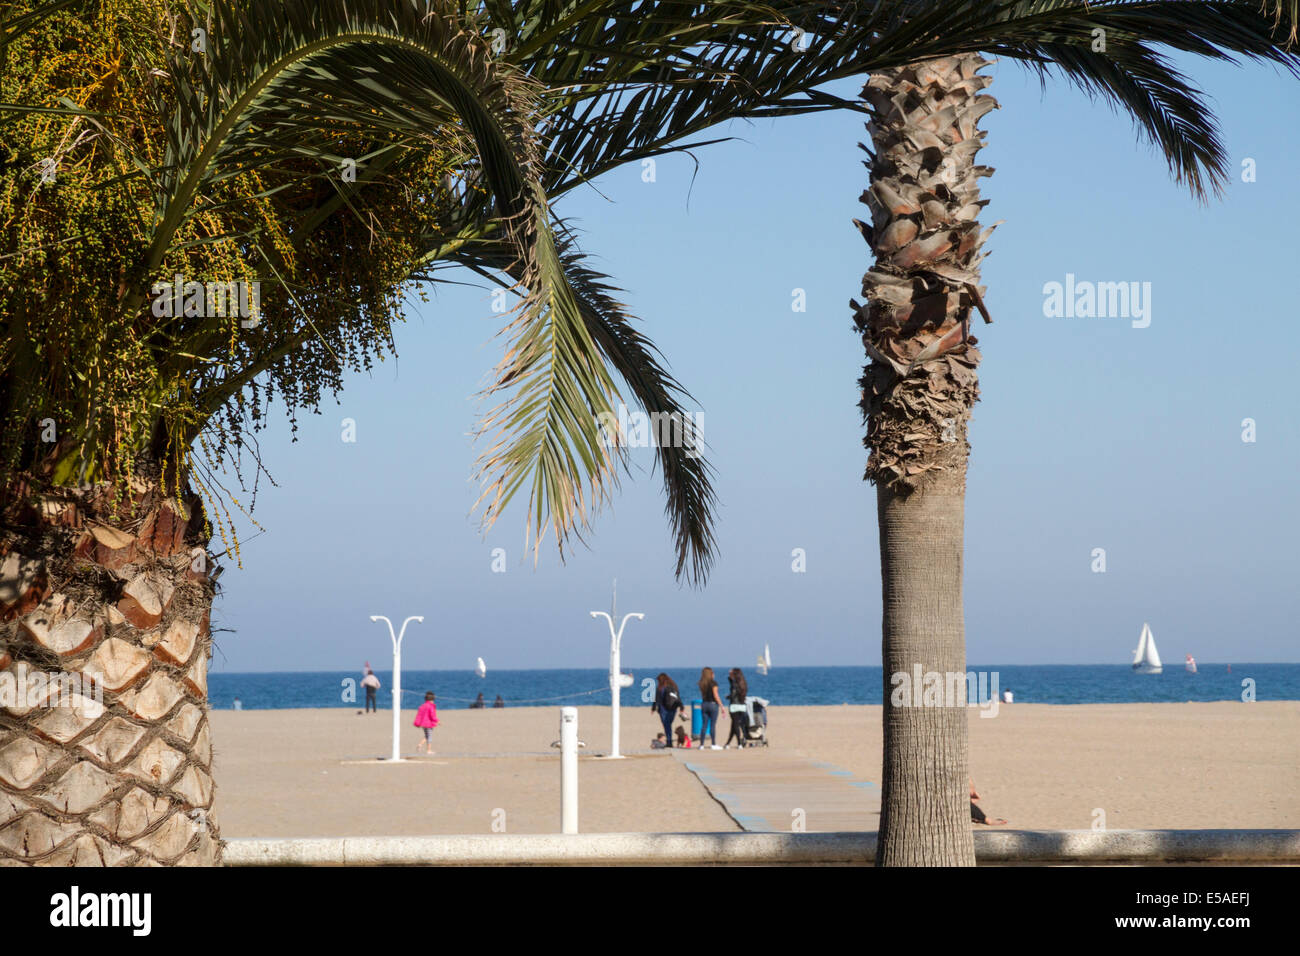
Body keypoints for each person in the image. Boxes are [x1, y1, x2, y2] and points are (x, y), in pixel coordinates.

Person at [651, 673, 685, 747]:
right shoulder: (674, 686)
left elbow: (656, 699)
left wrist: (653, 708)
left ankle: (669, 742)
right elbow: (678, 698)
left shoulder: (660, 688)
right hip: (673, 709)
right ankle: (669, 740)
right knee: (668, 725)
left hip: (663, 710)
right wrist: (681, 707)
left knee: (667, 726)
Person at [697, 667, 723, 750]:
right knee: (712, 725)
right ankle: (713, 744)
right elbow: (716, 695)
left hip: (704, 704)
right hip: (712, 704)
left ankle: (701, 744)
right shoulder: (713, 683)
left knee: (704, 725)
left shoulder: (702, 683)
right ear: (710, 674)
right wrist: (721, 705)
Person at [724, 667, 749, 748]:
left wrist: (729, 697)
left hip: (734, 706)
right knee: (734, 725)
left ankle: (739, 744)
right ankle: (727, 744)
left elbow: (733, 694)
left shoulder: (734, 684)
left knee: (735, 726)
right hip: (741, 706)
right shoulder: (743, 683)